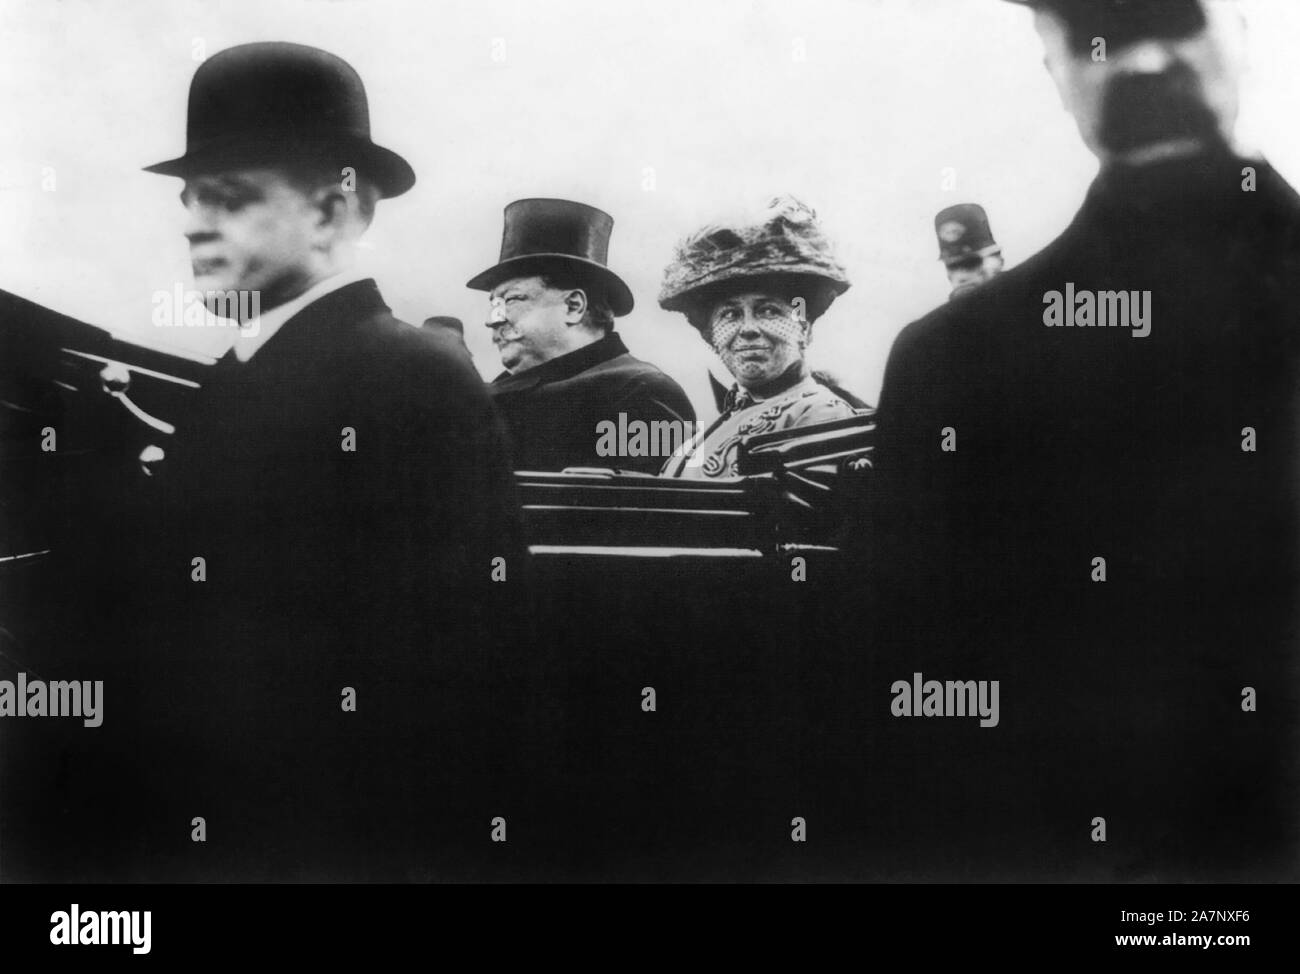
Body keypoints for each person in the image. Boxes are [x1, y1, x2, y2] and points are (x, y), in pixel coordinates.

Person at [65, 41, 525, 881]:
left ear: (334, 210)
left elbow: (442, 680)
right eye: (190, 197)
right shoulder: (246, 369)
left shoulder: (411, 377)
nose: (193, 220)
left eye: (231, 197)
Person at [867, 0, 1300, 880]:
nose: (1142, 63)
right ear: (1051, 62)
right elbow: (916, 696)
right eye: (1104, 28)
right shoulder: (955, 363)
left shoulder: (959, 355)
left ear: (1242, 32)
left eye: (1174, 20)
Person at [470, 198, 694, 475]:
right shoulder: (493, 392)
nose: (494, 321)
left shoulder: (641, 391)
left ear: (573, 306)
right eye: (494, 305)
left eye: (512, 299)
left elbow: (658, 509)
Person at [658, 196, 864, 479]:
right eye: (730, 315)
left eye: (768, 311)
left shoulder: (820, 415)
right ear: (711, 334)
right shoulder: (713, 431)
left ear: (803, 327)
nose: (748, 329)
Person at [934, 203, 1005, 298]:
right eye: (952, 267)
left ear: (998, 261)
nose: (961, 277)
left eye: (970, 264)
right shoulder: (952, 312)